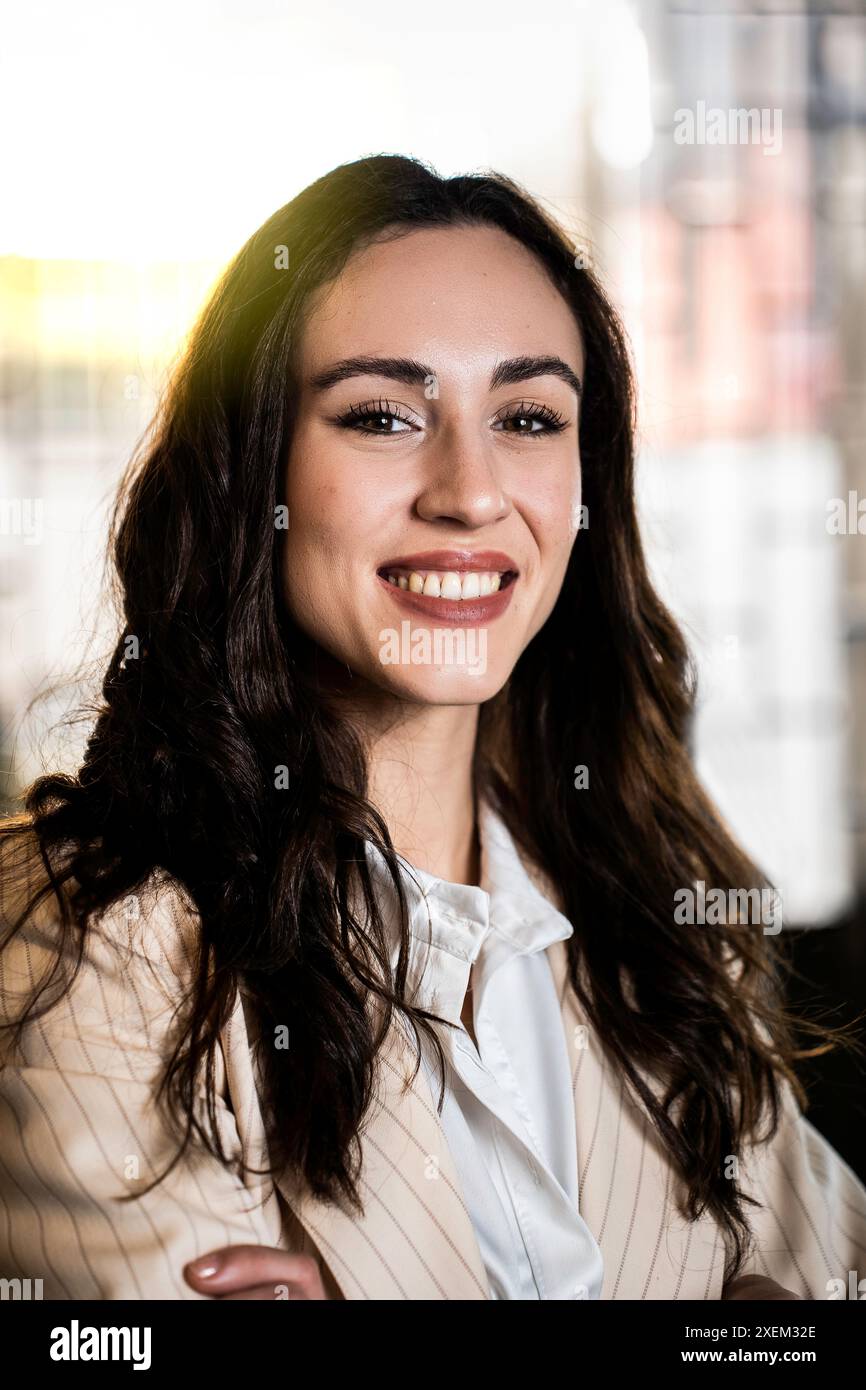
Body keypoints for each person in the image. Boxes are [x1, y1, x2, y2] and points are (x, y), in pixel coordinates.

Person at [1, 154, 864, 1301]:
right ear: (252, 470)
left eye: (525, 415)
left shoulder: (651, 915)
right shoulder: (87, 935)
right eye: (381, 415)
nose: (468, 490)